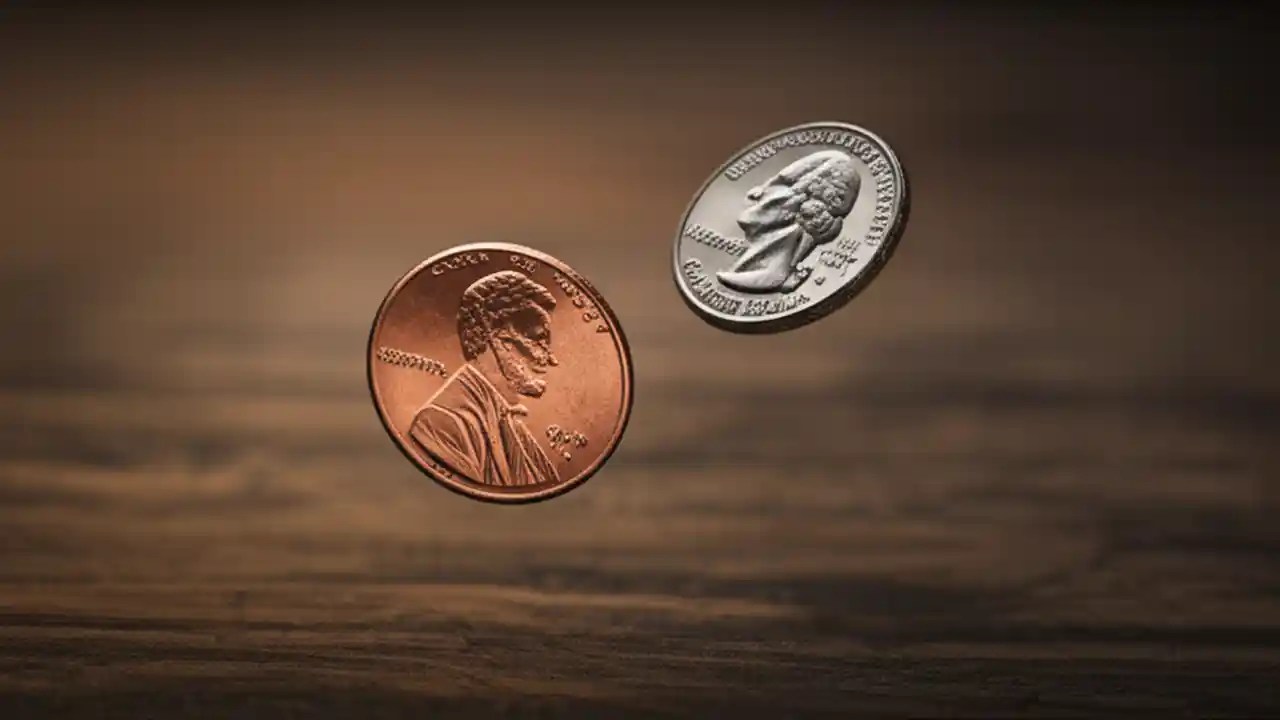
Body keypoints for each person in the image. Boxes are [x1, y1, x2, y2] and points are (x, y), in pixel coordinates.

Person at [410, 271, 561, 487]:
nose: (551, 359)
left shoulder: (514, 428)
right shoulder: (441, 423)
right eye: (538, 338)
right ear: (495, 337)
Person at [716, 150, 859, 294]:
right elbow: (791, 172)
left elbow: (792, 174)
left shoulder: (806, 216)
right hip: (801, 197)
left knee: (793, 227)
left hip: (806, 207)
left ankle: (777, 271)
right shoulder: (831, 163)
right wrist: (766, 186)